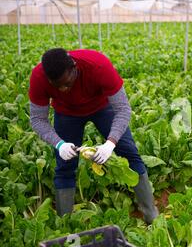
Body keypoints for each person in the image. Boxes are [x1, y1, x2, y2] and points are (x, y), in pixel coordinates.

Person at [28, 48, 159, 224]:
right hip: (66, 113)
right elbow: (37, 119)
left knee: (129, 152)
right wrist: (59, 144)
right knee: (65, 166)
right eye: (57, 86)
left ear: (74, 68)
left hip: (102, 107)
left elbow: (123, 109)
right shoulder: (39, 77)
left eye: (67, 83)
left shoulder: (97, 65)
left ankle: (151, 215)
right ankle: (64, 225)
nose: (63, 89)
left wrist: (110, 143)